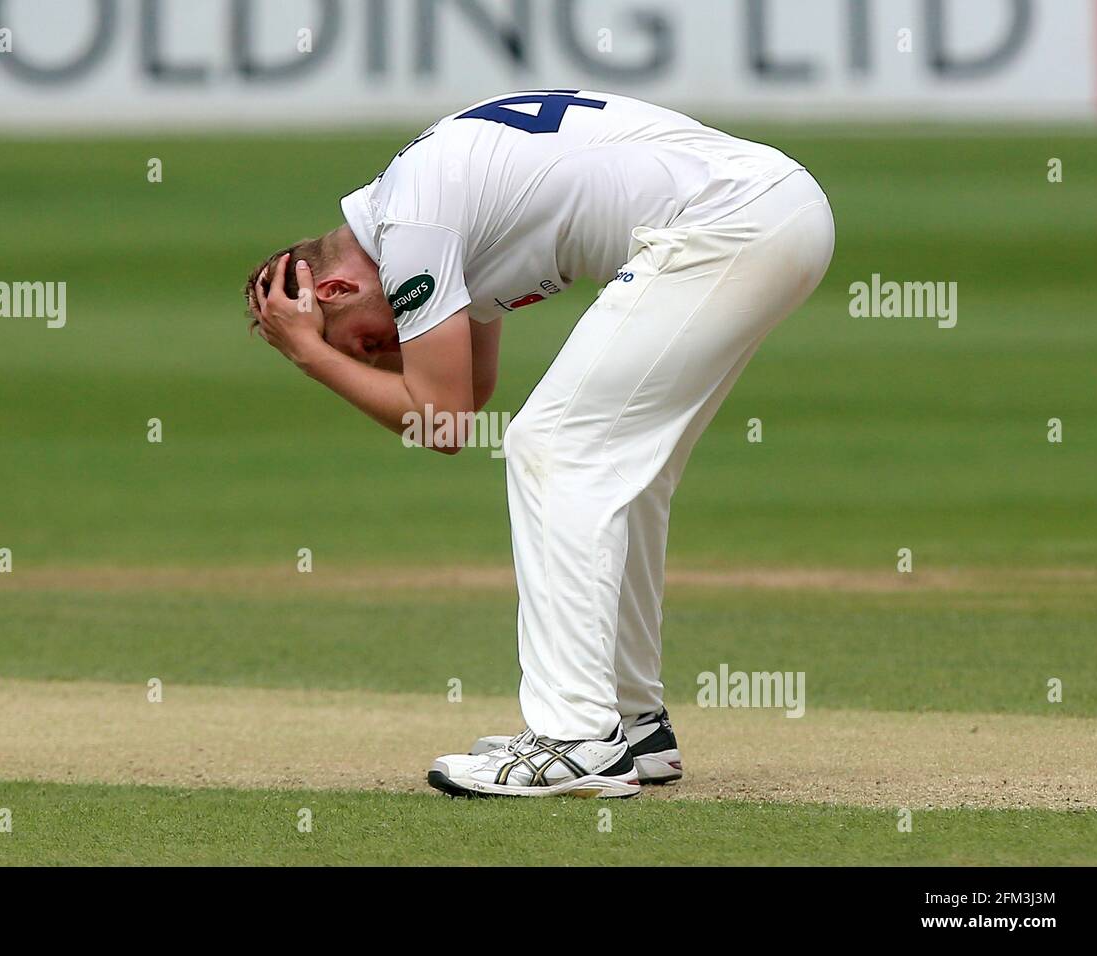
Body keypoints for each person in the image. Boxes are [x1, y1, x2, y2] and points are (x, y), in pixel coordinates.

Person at [246, 90, 835, 798]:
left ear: (336, 285)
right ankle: (630, 719)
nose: (383, 358)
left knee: (554, 446)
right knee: (622, 467)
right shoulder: (428, 211)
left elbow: (442, 419)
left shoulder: (408, 224)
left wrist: (314, 357)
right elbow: (468, 391)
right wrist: (330, 348)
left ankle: (577, 736)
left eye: (369, 344)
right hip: (770, 208)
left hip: (727, 222)